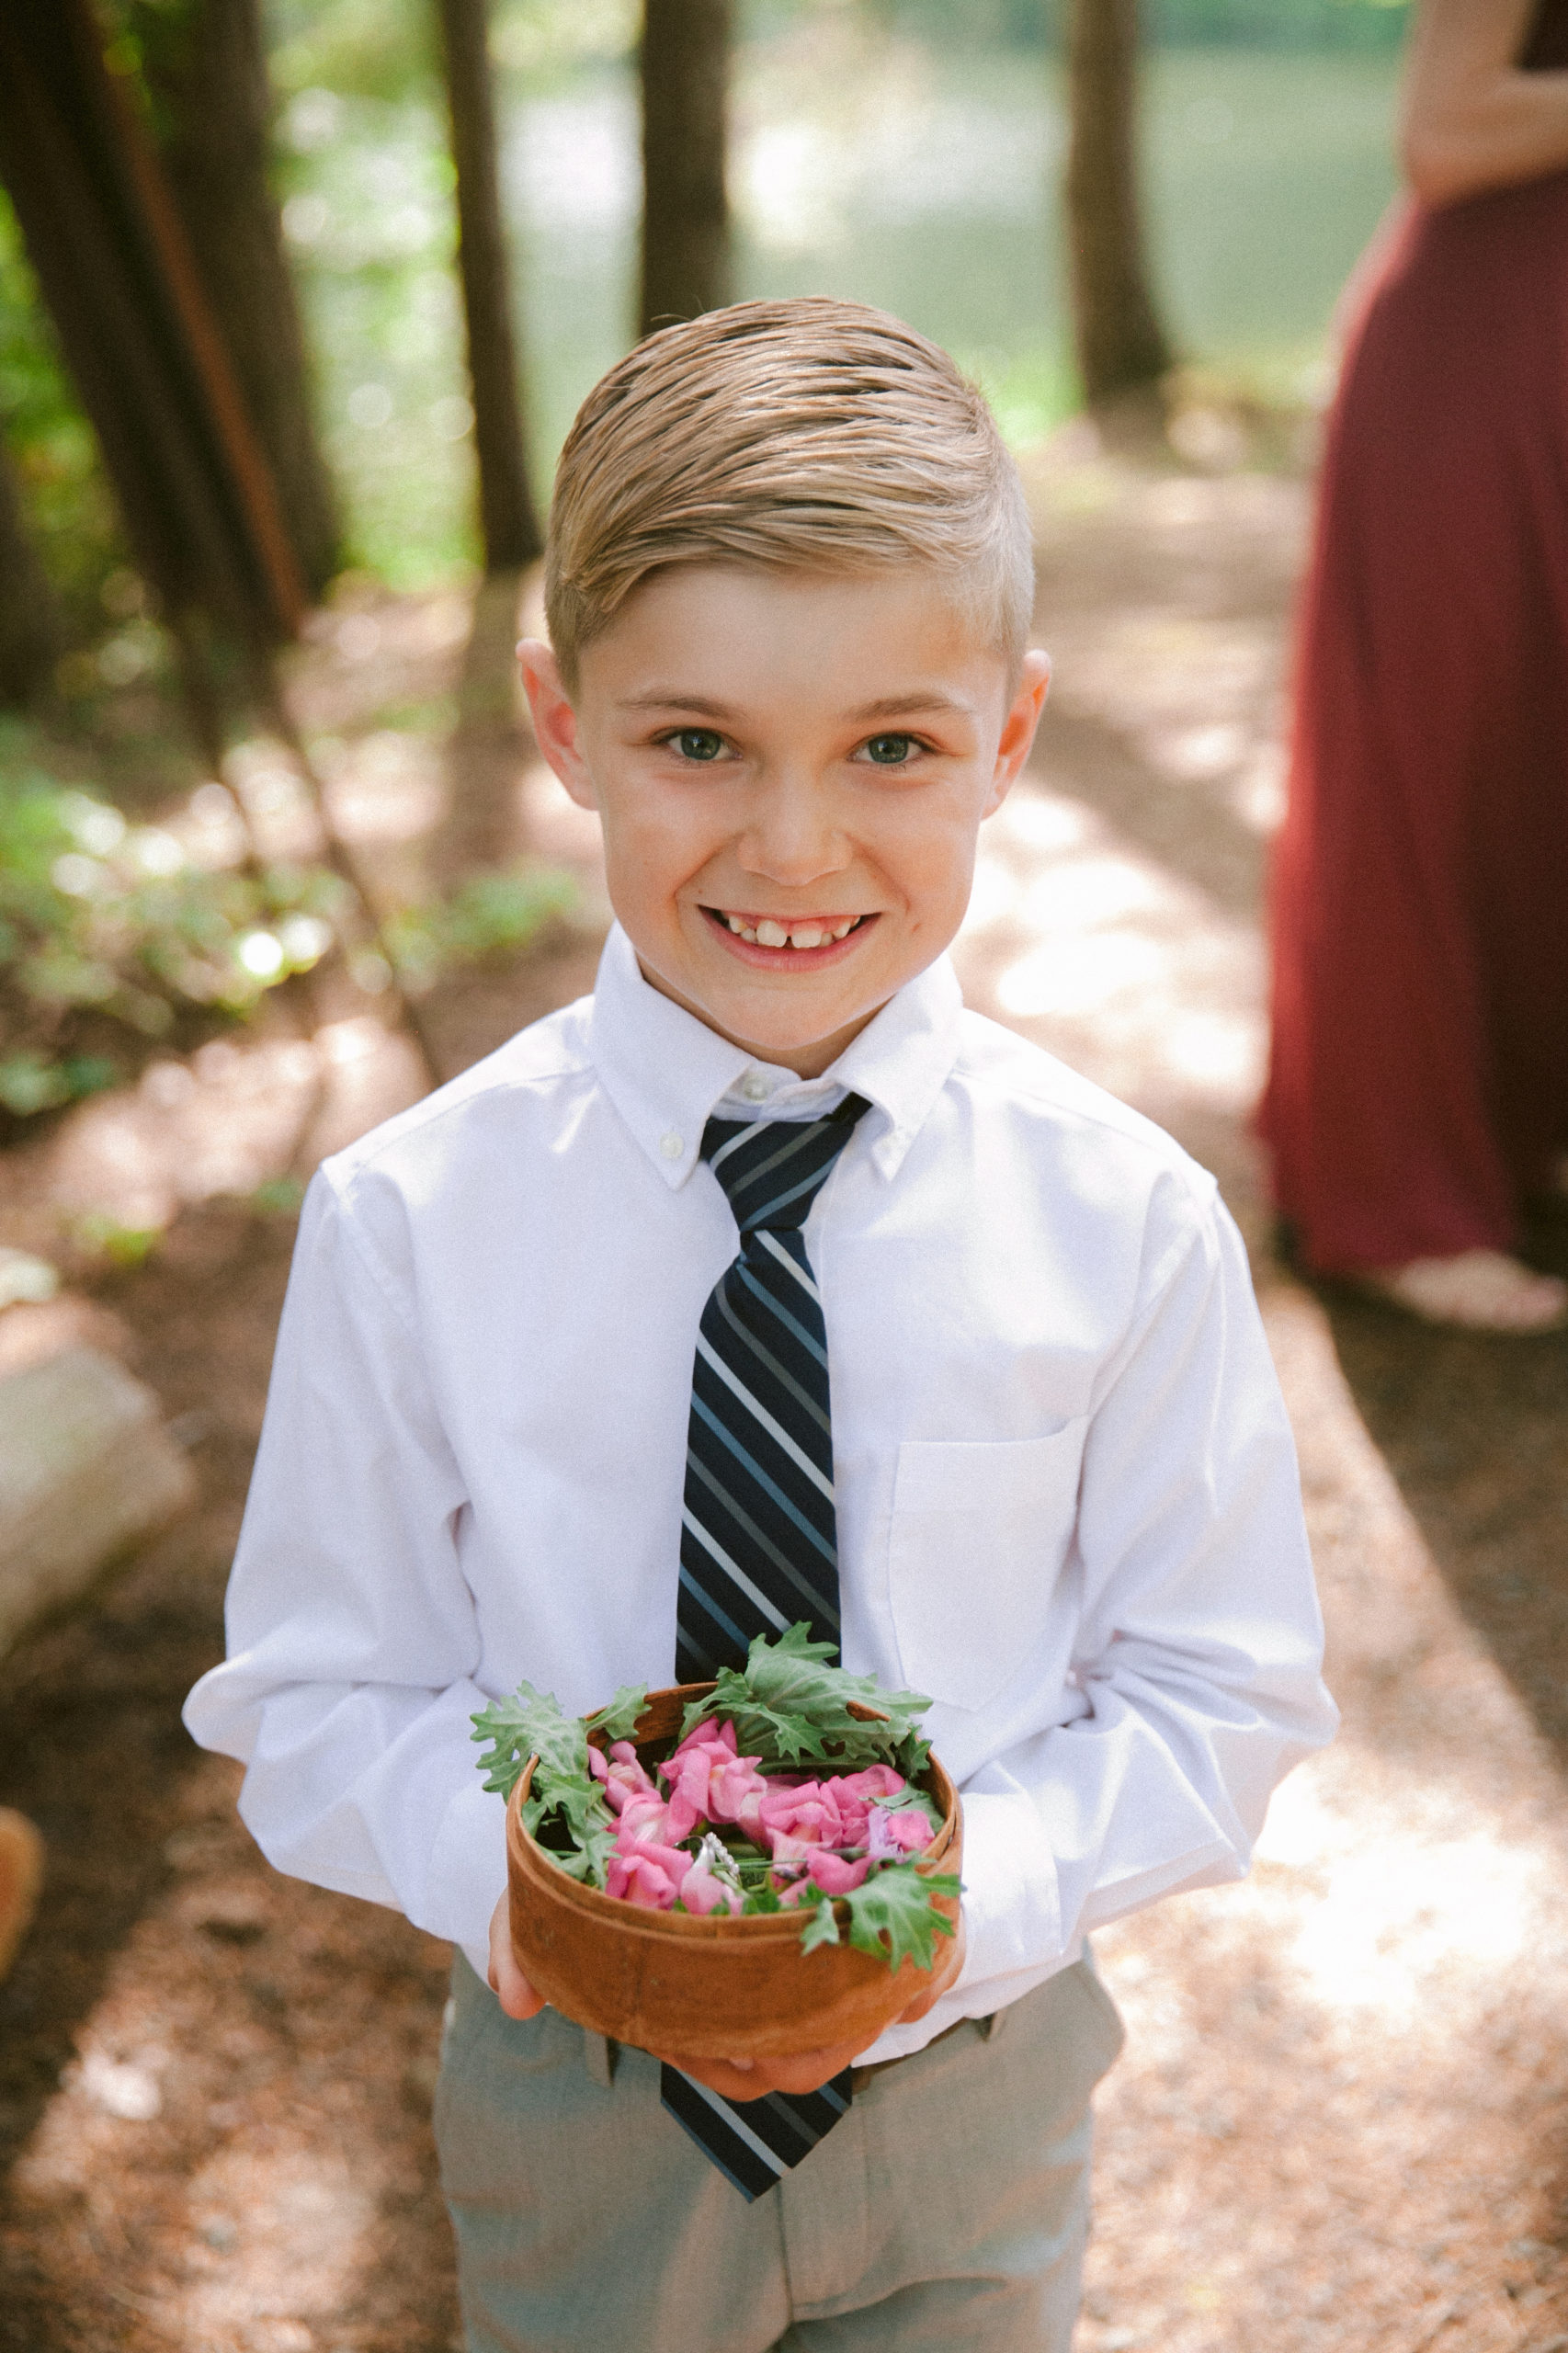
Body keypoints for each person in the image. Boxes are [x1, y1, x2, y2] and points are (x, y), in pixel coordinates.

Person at [185, 301, 1335, 2353]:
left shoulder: (1121, 1219)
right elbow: (310, 1693)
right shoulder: (413, 1220)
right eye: (696, 739)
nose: (794, 847)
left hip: (972, 2086)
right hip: (577, 2103)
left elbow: (1215, 1688)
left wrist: (941, 1920)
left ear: (1005, 733)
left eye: (889, 744)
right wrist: (540, 1895)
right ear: (563, 722)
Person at [1260, 0, 1568, 1333]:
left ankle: (1521, 1137)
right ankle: (1391, 1202)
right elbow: (1440, 131)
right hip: (1475, 371)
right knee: (1437, 763)